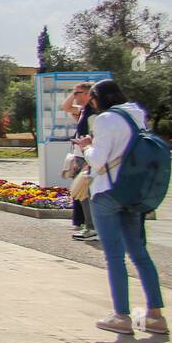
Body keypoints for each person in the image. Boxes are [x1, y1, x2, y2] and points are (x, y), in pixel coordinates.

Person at [80, 79, 169, 336]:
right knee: (140, 253)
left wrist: (87, 148)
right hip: (134, 191)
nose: (92, 106)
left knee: (114, 256)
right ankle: (155, 315)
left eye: (92, 100)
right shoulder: (137, 115)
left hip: (108, 191)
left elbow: (98, 162)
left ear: (100, 98)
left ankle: (121, 315)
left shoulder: (106, 120)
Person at [63, 81, 97, 241]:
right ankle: (87, 225)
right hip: (80, 155)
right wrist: (75, 93)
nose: (74, 96)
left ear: (88, 95)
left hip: (87, 157)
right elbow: (66, 107)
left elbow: (94, 138)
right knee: (82, 194)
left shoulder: (94, 113)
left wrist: (87, 160)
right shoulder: (83, 110)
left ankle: (92, 228)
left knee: (86, 193)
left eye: (78, 93)